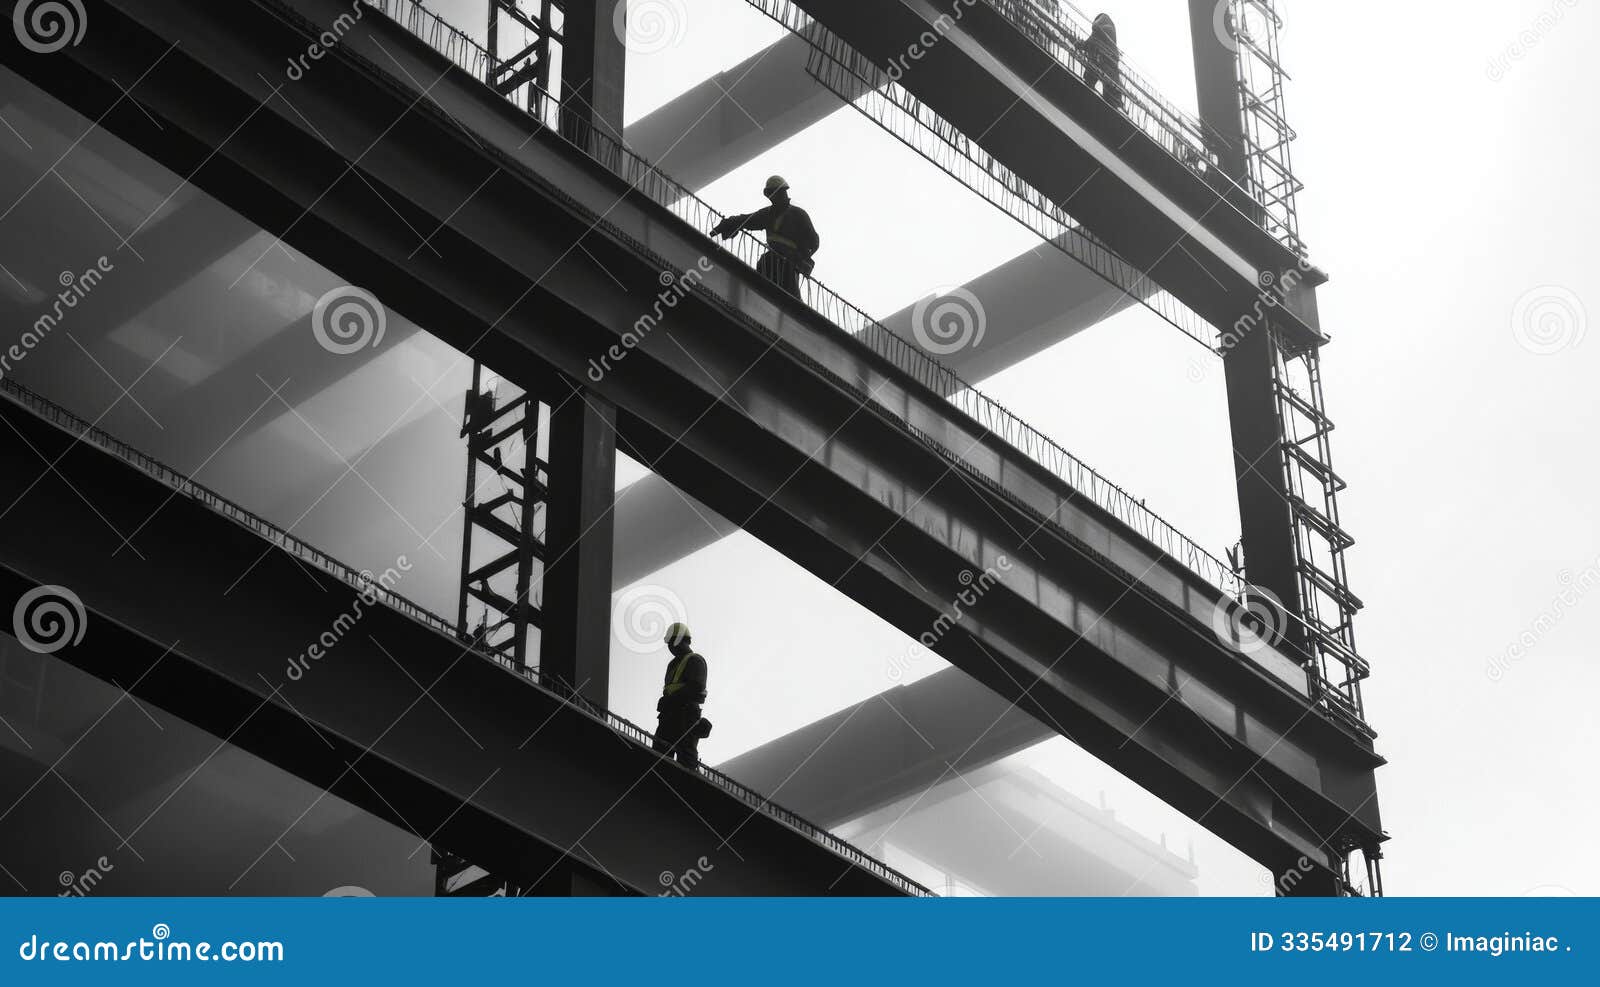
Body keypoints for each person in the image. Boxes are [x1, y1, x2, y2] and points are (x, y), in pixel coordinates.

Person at [710, 175, 820, 297]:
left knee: (790, 294)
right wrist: (727, 224)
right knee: (761, 282)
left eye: (777, 193)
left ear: (784, 192)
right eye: (771, 194)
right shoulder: (767, 214)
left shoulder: (798, 214)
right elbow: (746, 220)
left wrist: (802, 257)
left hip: (789, 263)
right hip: (771, 260)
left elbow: (814, 242)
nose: (774, 197)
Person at [653, 622, 708, 769]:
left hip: (686, 715)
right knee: (659, 754)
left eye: (672, 642)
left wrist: (671, 700)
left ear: (681, 640)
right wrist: (665, 700)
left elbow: (696, 687)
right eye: (669, 643)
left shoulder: (695, 660)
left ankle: (688, 785)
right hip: (668, 715)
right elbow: (670, 689)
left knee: (686, 756)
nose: (670, 646)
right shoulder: (672, 665)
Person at [1077, 13, 1123, 111]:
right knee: (1090, 78)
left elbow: (1095, 27)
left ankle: (1112, 105)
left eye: (1098, 19)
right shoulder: (1096, 34)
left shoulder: (1108, 29)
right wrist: (1080, 44)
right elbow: (1088, 43)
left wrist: (1095, 23)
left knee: (1110, 91)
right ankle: (1086, 95)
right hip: (1097, 61)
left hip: (1108, 64)